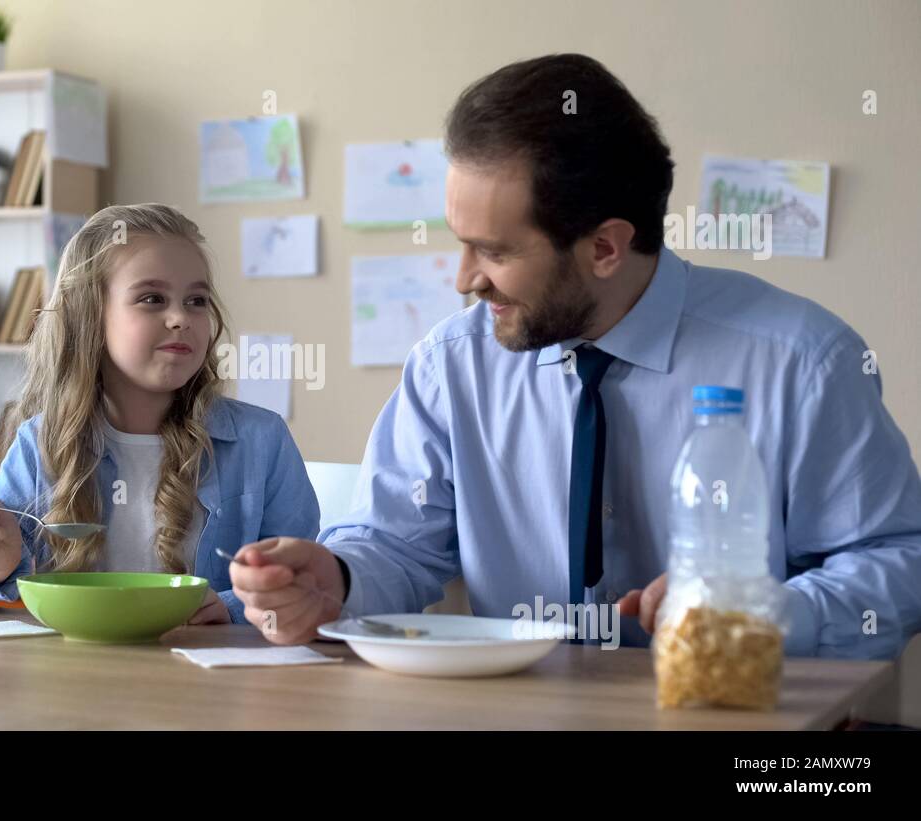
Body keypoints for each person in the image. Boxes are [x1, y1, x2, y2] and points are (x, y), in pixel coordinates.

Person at [230, 54, 921, 658]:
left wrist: (768, 614)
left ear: (604, 247)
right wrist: (336, 580)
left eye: (496, 251)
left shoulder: (802, 362)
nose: (464, 278)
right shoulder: (452, 366)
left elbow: (899, 560)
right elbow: (394, 541)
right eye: (461, 241)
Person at [0, 203, 320, 623]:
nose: (180, 319)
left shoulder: (260, 440)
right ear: (91, 316)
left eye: (196, 300)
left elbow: (306, 581)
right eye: (152, 299)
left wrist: (229, 608)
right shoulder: (41, 443)